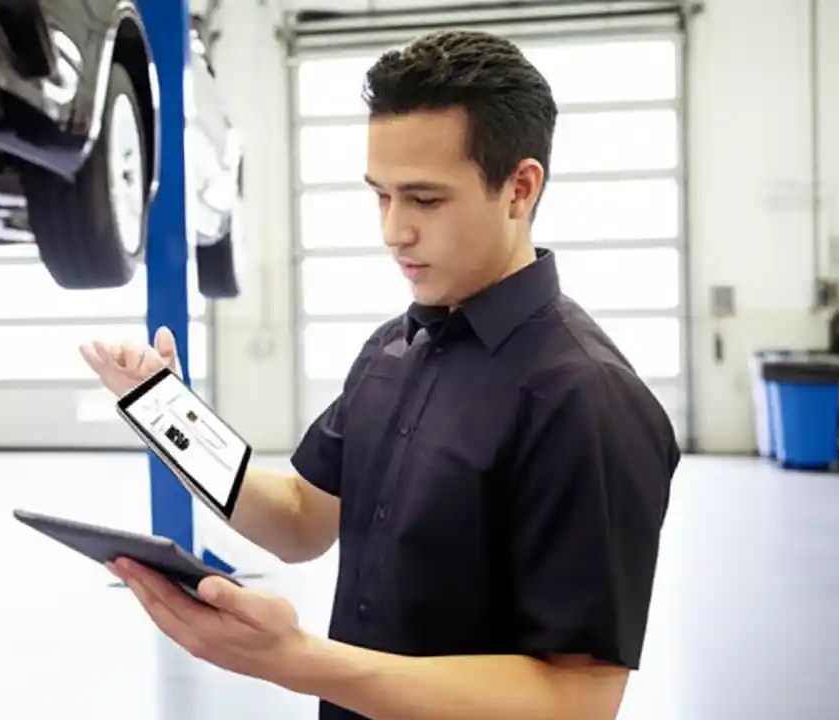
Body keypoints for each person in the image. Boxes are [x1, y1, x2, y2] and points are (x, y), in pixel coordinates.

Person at [81, 29, 680, 720]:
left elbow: (577, 701)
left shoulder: (585, 398)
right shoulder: (395, 348)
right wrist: (166, 416)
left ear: (519, 188)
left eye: (425, 200)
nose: (394, 230)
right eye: (381, 196)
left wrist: (302, 662)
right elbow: (302, 520)